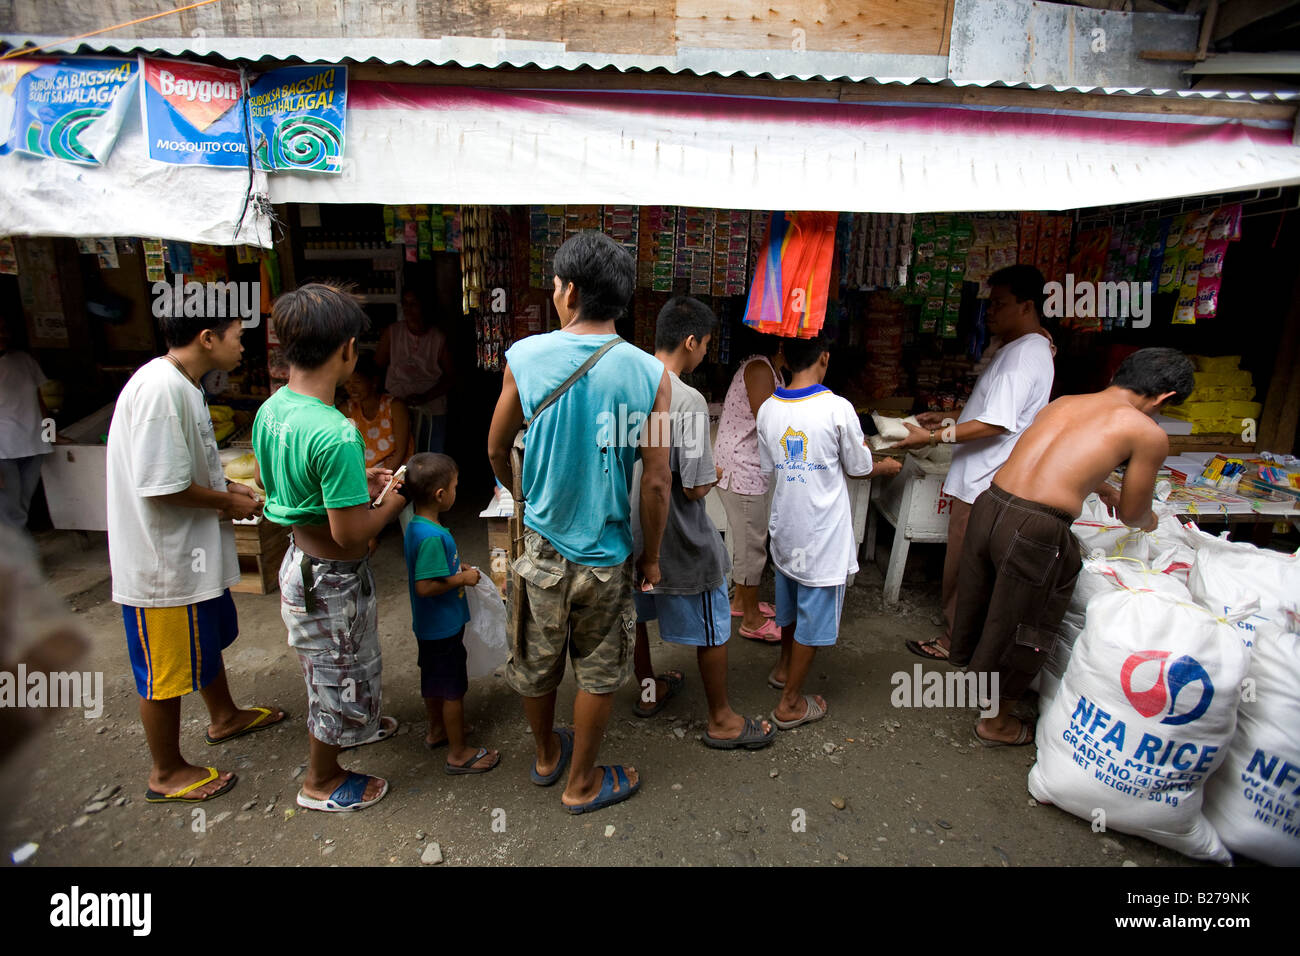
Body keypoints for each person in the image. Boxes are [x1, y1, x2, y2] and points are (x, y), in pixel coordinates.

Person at [487, 231, 671, 814]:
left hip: (541, 547)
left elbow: (495, 447)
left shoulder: (525, 356)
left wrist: (521, 494)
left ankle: (546, 757)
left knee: (536, 662)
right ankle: (583, 782)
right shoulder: (650, 374)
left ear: (566, 292)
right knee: (597, 672)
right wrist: (651, 558)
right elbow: (658, 480)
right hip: (608, 553)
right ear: (620, 300)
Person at [952, 347, 1195, 746]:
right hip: (1035, 527)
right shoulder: (1147, 432)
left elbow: (1044, 457)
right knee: (1028, 621)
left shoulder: (1065, 403)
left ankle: (972, 678)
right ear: (1165, 398)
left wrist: (1101, 485)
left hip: (991, 505)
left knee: (987, 601)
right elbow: (1134, 515)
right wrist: (1151, 520)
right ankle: (994, 724)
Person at [106, 304, 284, 804]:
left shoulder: (182, 384)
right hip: (161, 564)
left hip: (190, 554)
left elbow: (189, 467)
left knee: (203, 641)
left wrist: (230, 485)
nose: (243, 345)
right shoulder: (161, 389)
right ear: (207, 337)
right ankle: (165, 771)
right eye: (237, 336)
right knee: (163, 671)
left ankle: (224, 717)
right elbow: (161, 486)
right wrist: (227, 500)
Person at [253, 284, 407, 813]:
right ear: (346, 349)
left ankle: (358, 720)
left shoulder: (274, 408)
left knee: (341, 664)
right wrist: (395, 496)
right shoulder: (336, 432)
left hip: (301, 562)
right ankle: (321, 779)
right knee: (334, 673)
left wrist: (356, 479)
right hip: (330, 575)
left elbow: (295, 485)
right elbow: (353, 534)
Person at [630, 296, 775, 749]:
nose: (706, 354)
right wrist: (715, 473)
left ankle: (649, 692)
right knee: (714, 615)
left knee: (637, 617)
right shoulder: (687, 399)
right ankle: (722, 720)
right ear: (690, 341)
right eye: (706, 345)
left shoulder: (627, 382)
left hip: (629, 531)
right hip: (676, 534)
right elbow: (692, 486)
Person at [891, 264, 1056, 663]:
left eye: (999, 304)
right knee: (968, 564)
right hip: (983, 474)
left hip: (984, 479)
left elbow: (996, 423)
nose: (990, 314)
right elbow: (998, 412)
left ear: (1027, 306)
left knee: (967, 565)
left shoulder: (1023, 358)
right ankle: (962, 635)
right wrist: (952, 418)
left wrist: (931, 437)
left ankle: (954, 640)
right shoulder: (1022, 349)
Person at [757, 336, 902, 729]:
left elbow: (770, 465)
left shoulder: (769, 408)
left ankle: (783, 670)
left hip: (786, 529)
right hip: (821, 537)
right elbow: (858, 466)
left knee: (788, 607)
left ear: (784, 358)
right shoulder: (838, 408)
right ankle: (790, 704)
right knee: (813, 618)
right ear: (825, 357)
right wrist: (884, 467)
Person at [402, 451, 500, 774]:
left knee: (432, 681)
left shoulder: (416, 527)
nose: (458, 492)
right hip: (443, 627)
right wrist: (463, 579)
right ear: (441, 494)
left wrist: (457, 569)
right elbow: (426, 586)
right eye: (456, 487)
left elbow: (432, 572)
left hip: (428, 626)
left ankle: (437, 730)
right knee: (453, 689)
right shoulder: (433, 537)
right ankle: (458, 752)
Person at [713, 328, 785, 641]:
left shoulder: (769, 369)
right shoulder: (759, 369)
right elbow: (769, 423)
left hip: (748, 468)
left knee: (750, 539)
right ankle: (751, 620)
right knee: (751, 547)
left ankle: (743, 602)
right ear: (783, 345)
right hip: (741, 470)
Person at [376, 289, 453, 453]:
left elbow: (450, 377)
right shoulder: (393, 332)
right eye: (405, 304)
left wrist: (425, 397)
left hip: (432, 407)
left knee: (431, 457)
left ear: (424, 306)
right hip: (397, 404)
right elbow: (378, 366)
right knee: (398, 453)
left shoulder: (438, 337)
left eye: (414, 304)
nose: (408, 309)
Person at [0, 314, 54, 529]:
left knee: (21, 504)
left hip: (33, 444)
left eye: (4, 328)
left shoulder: (24, 359)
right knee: (9, 506)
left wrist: (51, 434)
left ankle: (17, 555)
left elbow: (41, 399)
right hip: (4, 450)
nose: (3, 334)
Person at [341, 353, 413, 471]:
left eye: (357, 382)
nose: (351, 388)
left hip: (391, 475)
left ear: (374, 382)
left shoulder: (395, 407)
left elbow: (401, 452)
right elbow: (345, 452)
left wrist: (381, 480)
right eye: (347, 383)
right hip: (360, 475)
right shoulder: (346, 410)